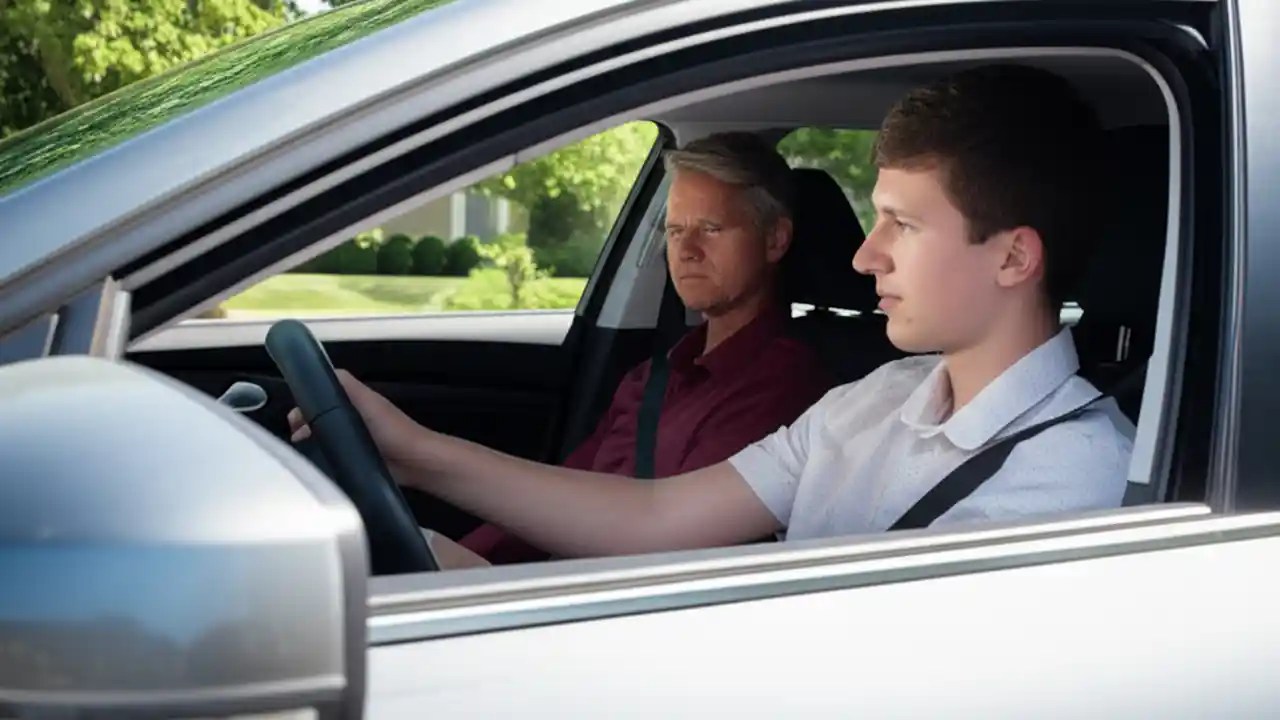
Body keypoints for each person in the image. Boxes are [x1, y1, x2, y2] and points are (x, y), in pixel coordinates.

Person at [292, 64, 1135, 560]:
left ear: (1015, 257)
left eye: (903, 226)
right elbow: (660, 515)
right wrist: (418, 455)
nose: (863, 254)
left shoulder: (1072, 484)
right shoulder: (875, 399)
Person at [457, 132, 834, 563]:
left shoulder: (786, 386)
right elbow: (563, 492)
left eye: (711, 229)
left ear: (775, 240)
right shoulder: (654, 375)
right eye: (676, 230)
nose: (687, 251)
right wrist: (455, 561)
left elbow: (671, 544)